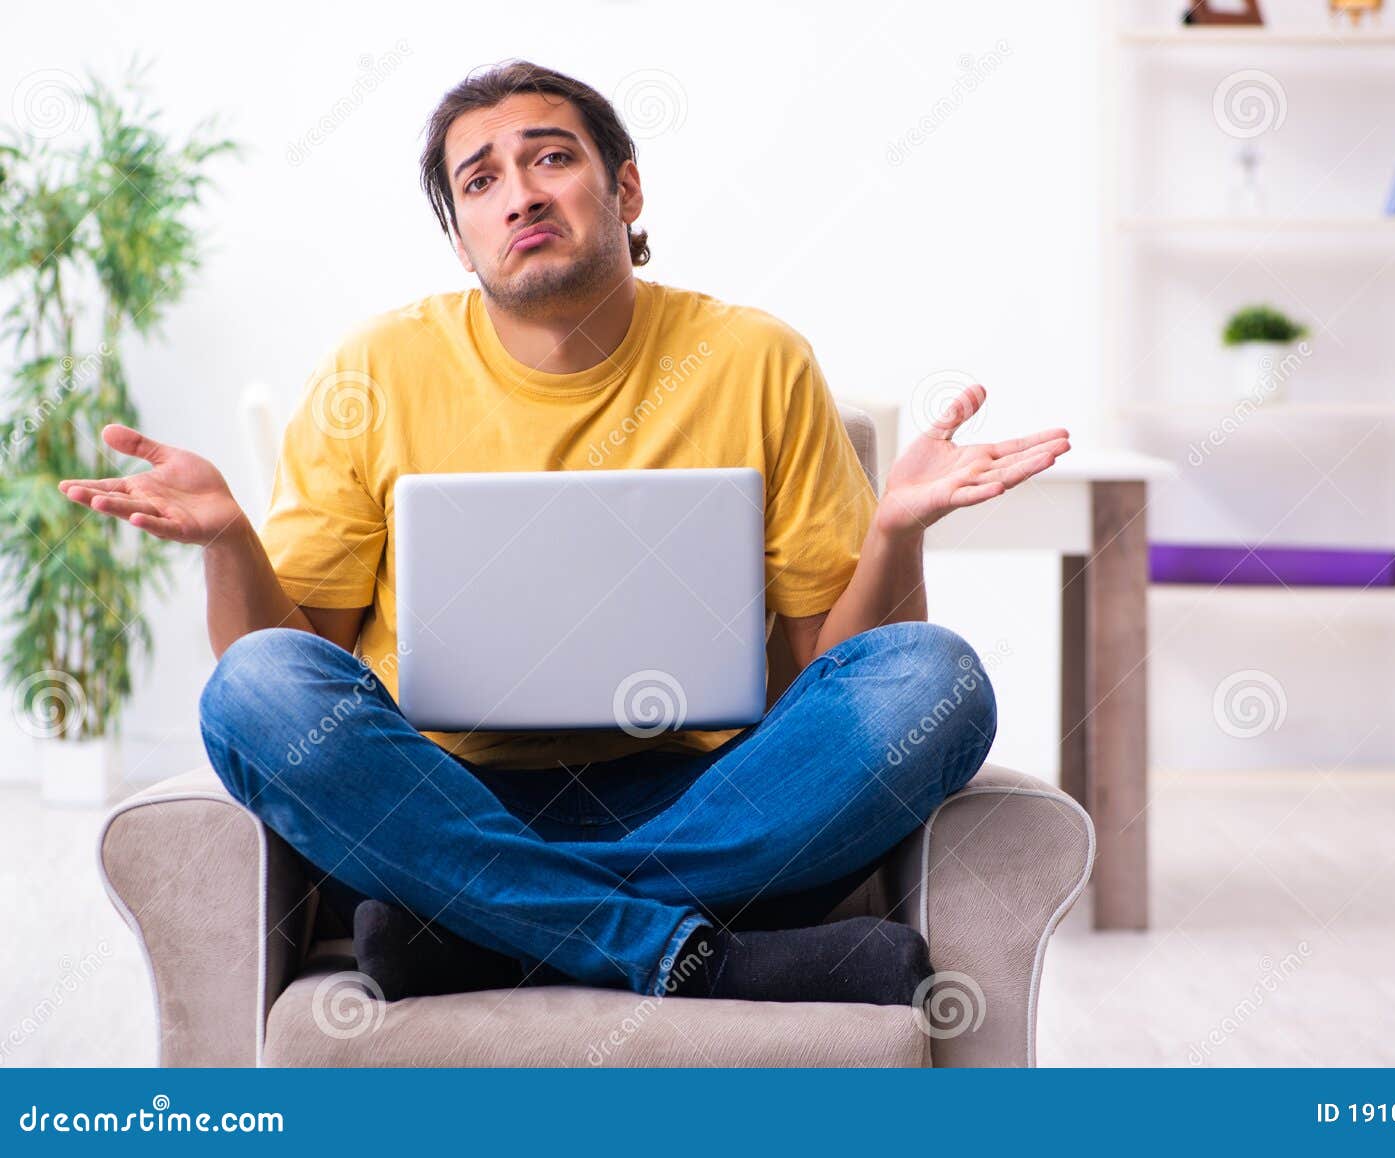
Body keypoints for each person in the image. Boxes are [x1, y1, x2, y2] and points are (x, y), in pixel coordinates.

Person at [60, 61, 1070, 1007]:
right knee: (252, 691)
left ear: (625, 191)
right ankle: (672, 947)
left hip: (711, 791)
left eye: (551, 157)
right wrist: (230, 540)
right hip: (438, 790)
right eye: (481, 179)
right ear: (460, 238)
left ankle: (483, 927)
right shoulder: (374, 370)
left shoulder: (755, 357)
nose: (521, 195)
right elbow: (298, 669)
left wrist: (896, 530)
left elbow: (831, 670)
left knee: (934, 680)